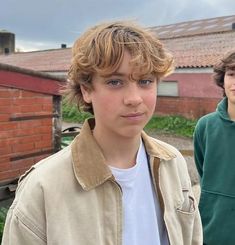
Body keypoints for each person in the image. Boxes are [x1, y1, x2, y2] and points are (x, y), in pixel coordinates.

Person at [2, 21, 202, 245]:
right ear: (86, 89)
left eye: (145, 81)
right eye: (115, 82)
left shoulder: (172, 162)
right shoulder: (43, 187)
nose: (134, 98)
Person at [194, 51, 235, 245]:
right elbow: (203, 171)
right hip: (212, 233)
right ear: (223, 79)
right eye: (232, 74)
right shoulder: (205, 126)